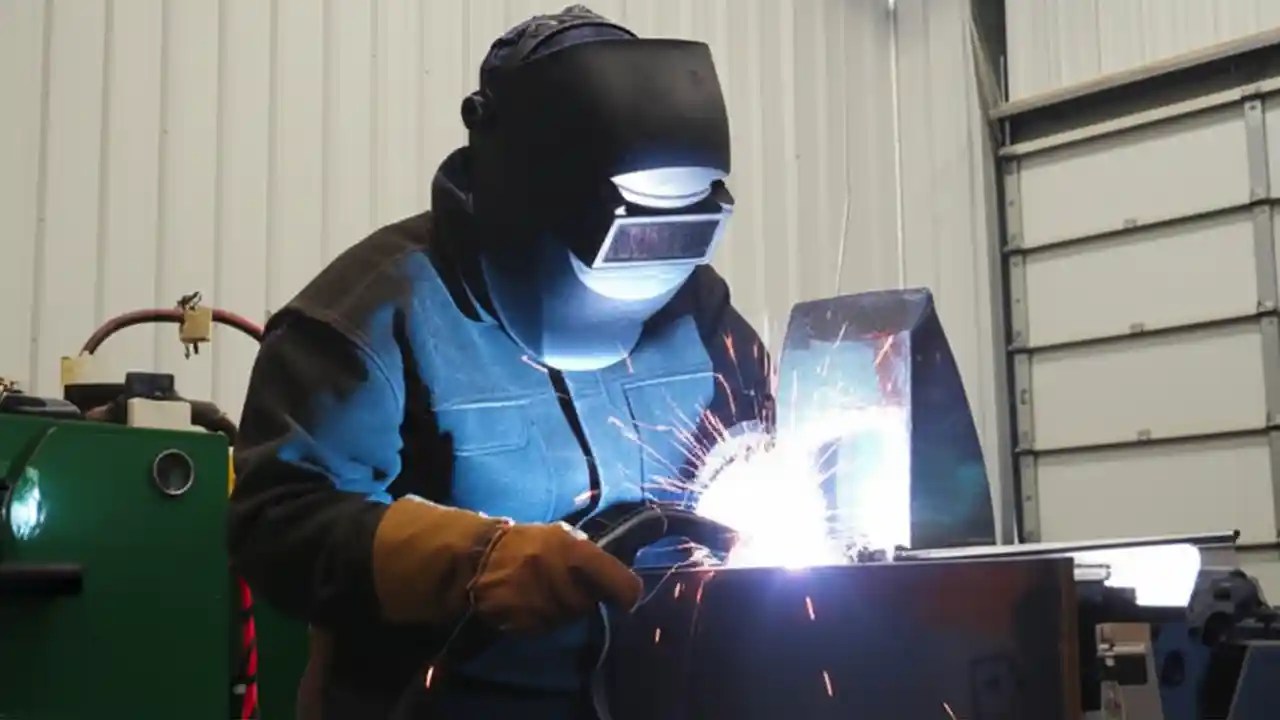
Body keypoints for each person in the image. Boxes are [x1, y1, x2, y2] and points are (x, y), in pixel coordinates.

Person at [228, 5, 772, 719]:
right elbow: (275, 524)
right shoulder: (372, 317)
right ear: (528, 188)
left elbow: (756, 454)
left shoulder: (696, 311)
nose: (650, 269)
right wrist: (471, 559)